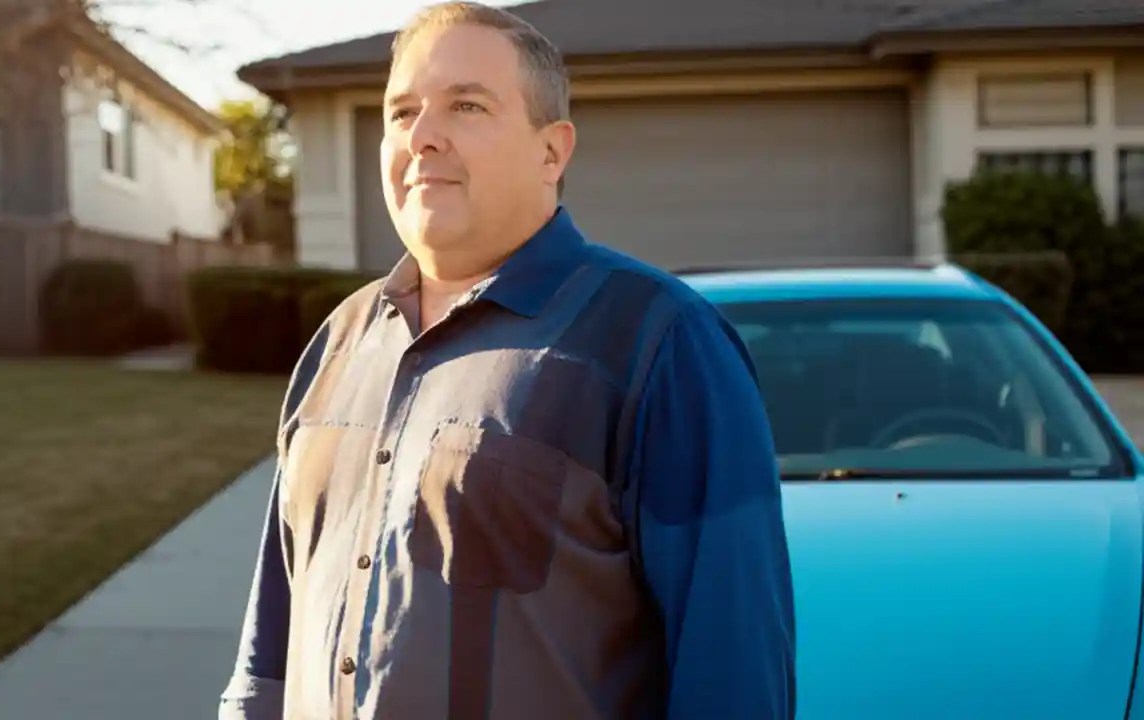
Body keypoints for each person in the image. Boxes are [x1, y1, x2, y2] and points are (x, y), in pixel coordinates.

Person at [218, 2, 796, 718]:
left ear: (552, 151)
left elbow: (732, 673)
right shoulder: (340, 342)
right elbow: (270, 638)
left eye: (466, 106)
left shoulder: (659, 343)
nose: (422, 137)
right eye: (401, 113)